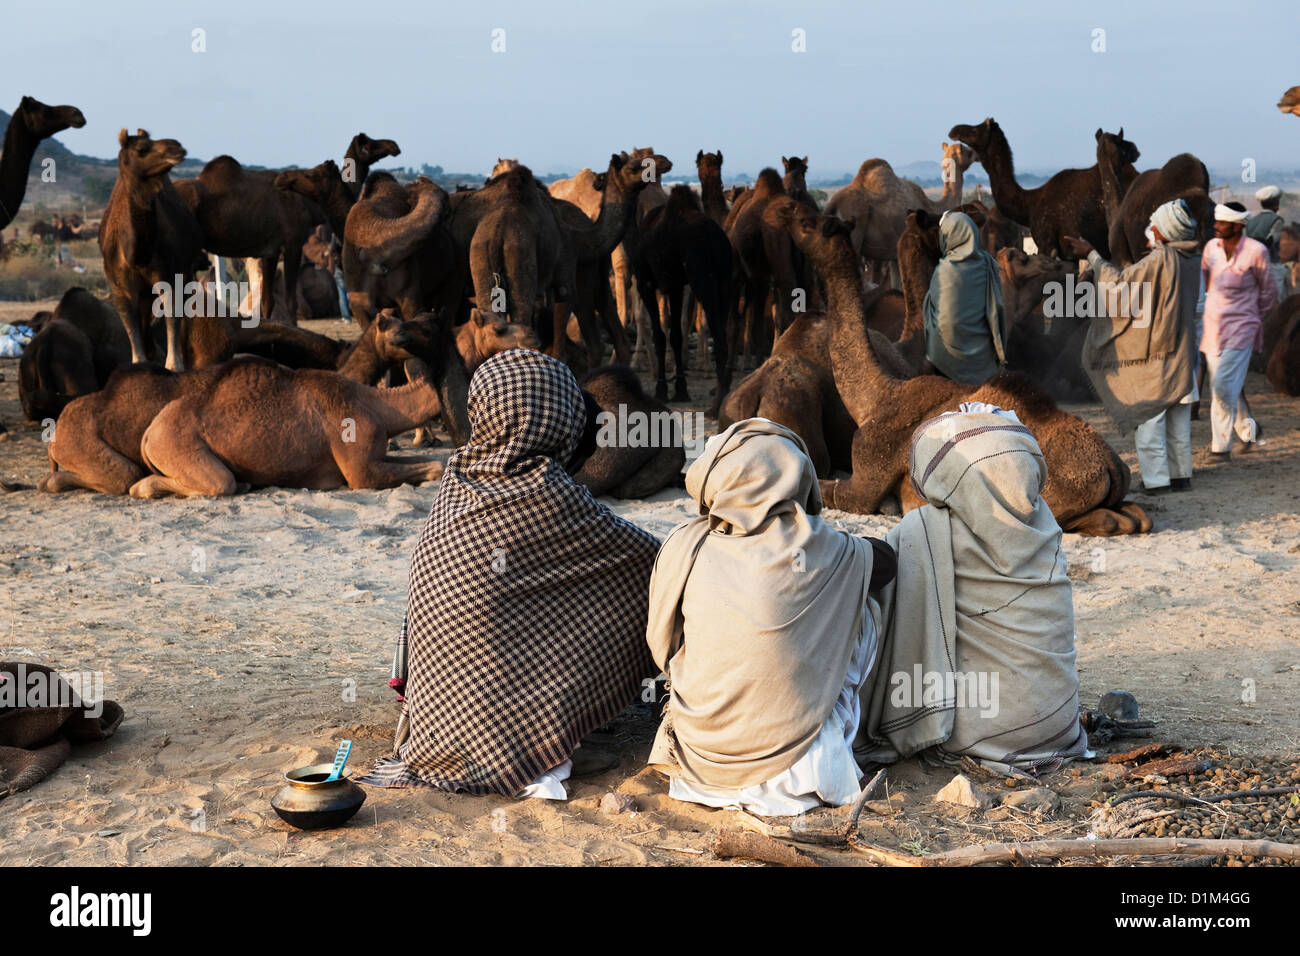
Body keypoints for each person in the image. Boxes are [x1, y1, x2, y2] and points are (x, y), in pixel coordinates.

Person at [359, 349, 660, 799]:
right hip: (500, 730)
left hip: (438, 715)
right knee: (651, 587)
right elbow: (646, 560)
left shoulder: (460, 475)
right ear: (554, 417)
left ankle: (545, 735)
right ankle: (541, 744)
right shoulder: (545, 491)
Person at [645, 419, 896, 816]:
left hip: (701, 755)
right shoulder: (824, 549)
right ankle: (839, 735)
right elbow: (887, 562)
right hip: (799, 765)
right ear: (798, 478)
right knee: (861, 603)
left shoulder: (683, 544)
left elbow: (664, 646)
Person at [856, 405, 1088, 773]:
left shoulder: (926, 531)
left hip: (982, 732)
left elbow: (872, 587)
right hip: (1056, 726)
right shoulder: (1047, 529)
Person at [1061, 199, 1201, 493]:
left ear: (1164, 232)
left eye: (1154, 225)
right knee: (1179, 423)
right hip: (1184, 355)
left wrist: (1093, 256)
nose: (1149, 229)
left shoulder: (1162, 260)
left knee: (1149, 421)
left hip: (1159, 359)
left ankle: (1156, 482)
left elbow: (1121, 286)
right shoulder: (1190, 258)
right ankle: (1180, 477)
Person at [1201, 201, 1278, 458]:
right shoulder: (1211, 248)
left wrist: (1255, 316)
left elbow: (1268, 290)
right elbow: (1204, 280)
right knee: (1225, 384)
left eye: (1222, 222)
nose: (1216, 226)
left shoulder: (1257, 252)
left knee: (1222, 386)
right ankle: (1249, 430)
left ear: (1238, 225)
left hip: (1242, 326)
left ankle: (1220, 447)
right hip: (1213, 327)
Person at [922, 209, 1008, 384]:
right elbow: (996, 308)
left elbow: (938, 319)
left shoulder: (944, 270)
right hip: (983, 360)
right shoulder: (987, 265)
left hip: (945, 358)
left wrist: (931, 356)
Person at [1246, 185, 1287, 299]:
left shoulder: (1251, 221)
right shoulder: (1277, 220)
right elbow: (1271, 240)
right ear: (1276, 203)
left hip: (1252, 265)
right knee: (1278, 299)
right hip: (1271, 265)